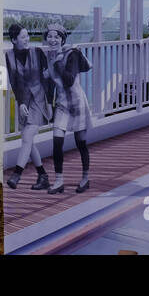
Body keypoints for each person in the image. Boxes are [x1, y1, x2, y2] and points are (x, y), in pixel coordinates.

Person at [44, 22, 93, 194]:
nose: (52, 40)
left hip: (77, 103)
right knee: (57, 143)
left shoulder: (71, 54)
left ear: (62, 39)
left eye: (56, 37)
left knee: (81, 143)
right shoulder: (48, 56)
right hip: (62, 104)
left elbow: (69, 80)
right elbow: (50, 84)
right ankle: (59, 181)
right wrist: (49, 104)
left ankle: (85, 178)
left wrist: (58, 63)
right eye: (49, 36)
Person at [3, 24, 51, 191]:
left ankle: (17, 174)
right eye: (23, 37)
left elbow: (48, 80)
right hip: (24, 102)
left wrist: (50, 102)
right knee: (28, 140)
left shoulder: (38, 53)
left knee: (27, 137)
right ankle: (43, 175)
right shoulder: (8, 56)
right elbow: (15, 83)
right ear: (14, 40)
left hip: (39, 99)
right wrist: (21, 102)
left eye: (27, 36)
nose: (27, 40)